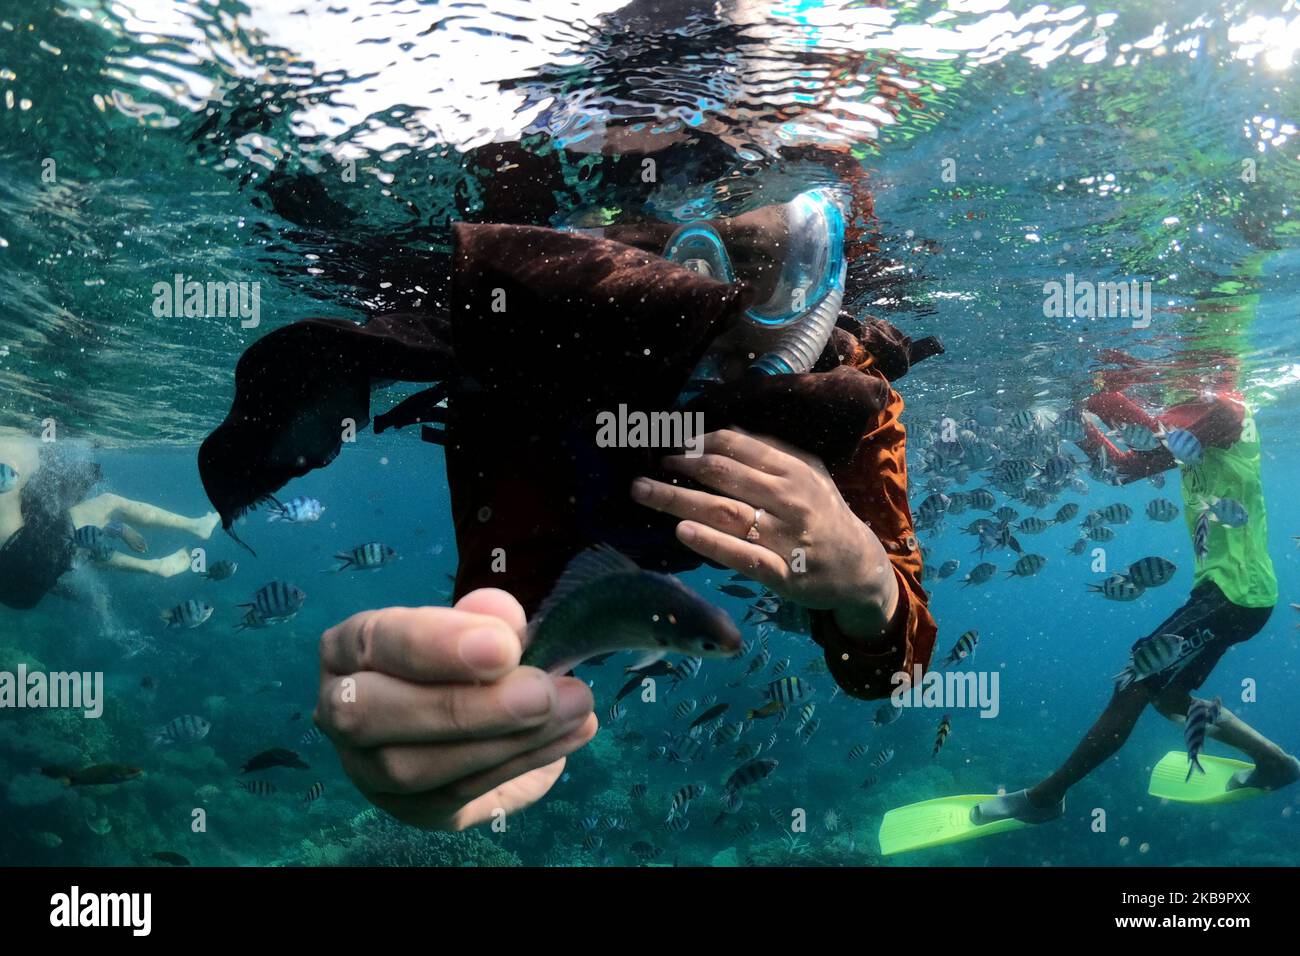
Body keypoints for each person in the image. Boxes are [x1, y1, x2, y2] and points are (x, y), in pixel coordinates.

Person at [199, 150, 943, 828]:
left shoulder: (845, 394)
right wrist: (479, 706)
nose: (708, 304)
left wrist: (864, 578)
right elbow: (505, 616)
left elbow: (894, 666)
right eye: (657, 261)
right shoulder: (534, 371)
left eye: (762, 261)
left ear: (822, 277)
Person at [971, 385, 1299, 828]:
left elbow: (1169, 432)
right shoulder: (1192, 436)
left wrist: (1095, 391)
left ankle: (1047, 796)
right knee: (1168, 697)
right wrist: (1080, 423)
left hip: (1235, 593)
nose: (1164, 410)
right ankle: (1274, 763)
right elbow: (1125, 469)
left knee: (1136, 680)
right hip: (1227, 594)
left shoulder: (1231, 414)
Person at [0, 426, 220, 611]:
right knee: (108, 503)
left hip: (11, 587)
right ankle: (195, 527)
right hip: (26, 553)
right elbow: (29, 460)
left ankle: (155, 567)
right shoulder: (8, 444)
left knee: (72, 543)